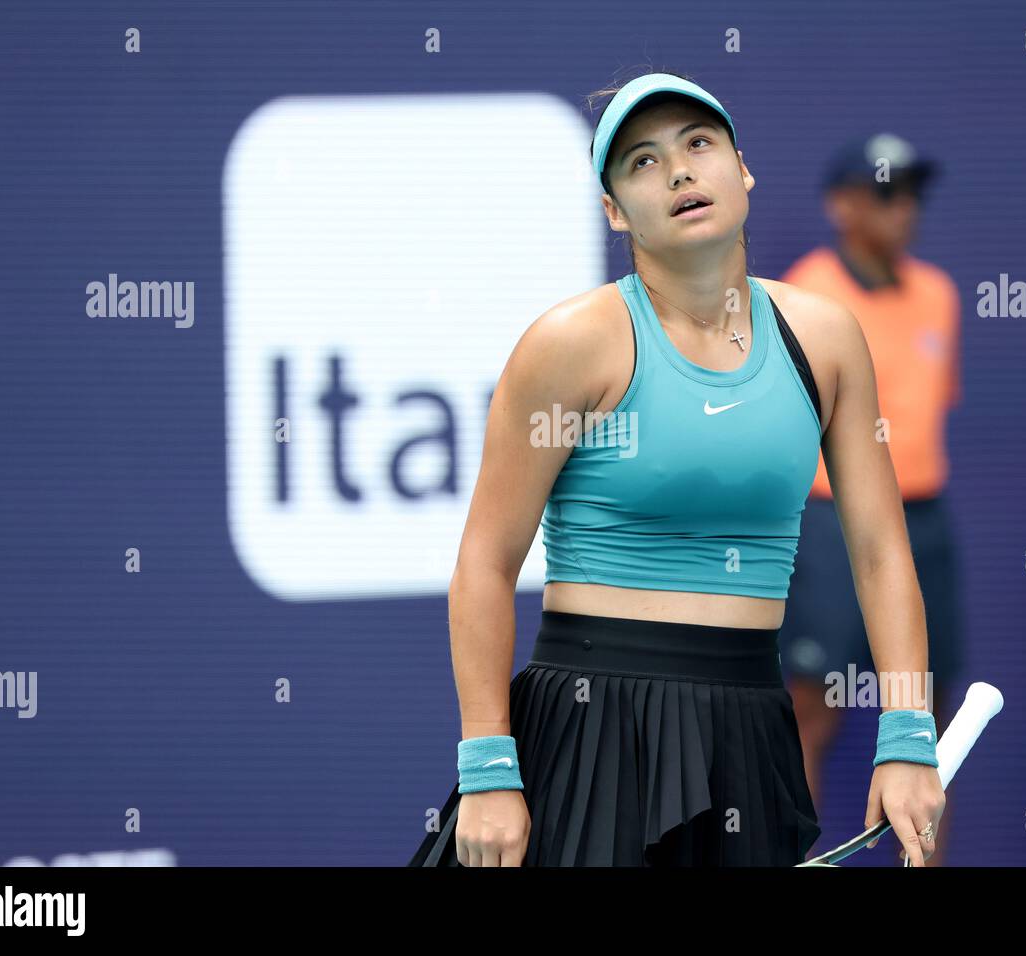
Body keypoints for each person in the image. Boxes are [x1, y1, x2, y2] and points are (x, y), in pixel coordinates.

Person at [409, 72, 944, 867]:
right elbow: (485, 563)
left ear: (743, 169)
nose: (681, 172)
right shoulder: (567, 343)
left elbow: (879, 550)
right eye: (643, 162)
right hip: (592, 728)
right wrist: (488, 769)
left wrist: (907, 738)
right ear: (616, 210)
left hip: (752, 729)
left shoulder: (827, 339)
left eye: (699, 145)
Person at [777, 133, 964, 865]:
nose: (904, 210)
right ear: (843, 206)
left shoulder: (941, 295)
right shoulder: (805, 295)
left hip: (924, 520)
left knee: (929, 718)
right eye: (886, 193)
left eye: (912, 194)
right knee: (811, 713)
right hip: (830, 524)